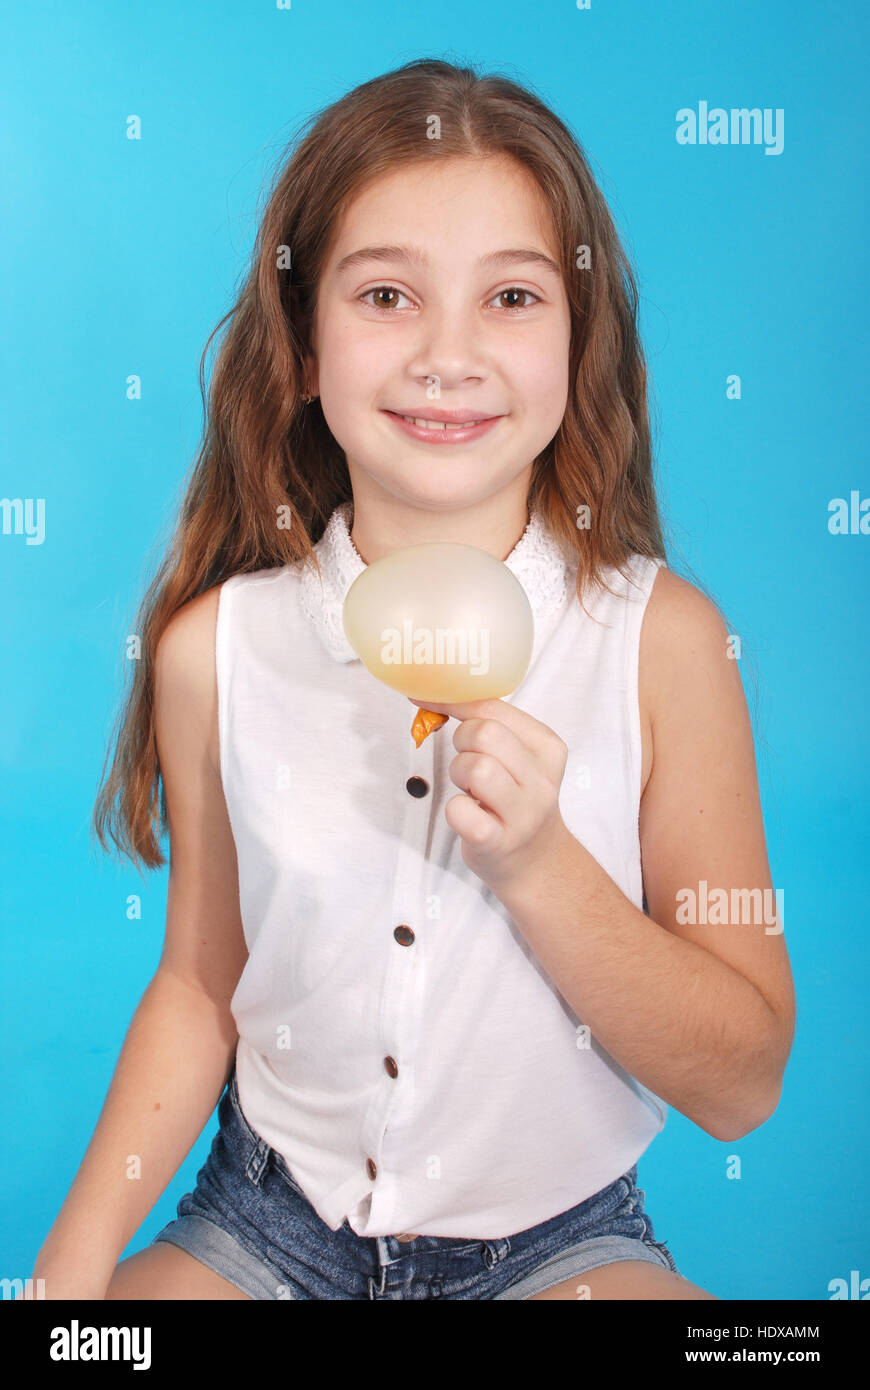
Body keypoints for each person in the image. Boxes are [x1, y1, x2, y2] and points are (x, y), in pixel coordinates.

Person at [32, 58, 795, 1301]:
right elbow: (198, 984)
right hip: (267, 1224)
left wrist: (543, 867)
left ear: (578, 337)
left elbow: (745, 1081)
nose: (449, 355)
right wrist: (65, 1275)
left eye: (510, 297)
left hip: (561, 1245)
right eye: (388, 293)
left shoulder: (665, 644)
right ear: (303, 346)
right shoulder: (213, 651)